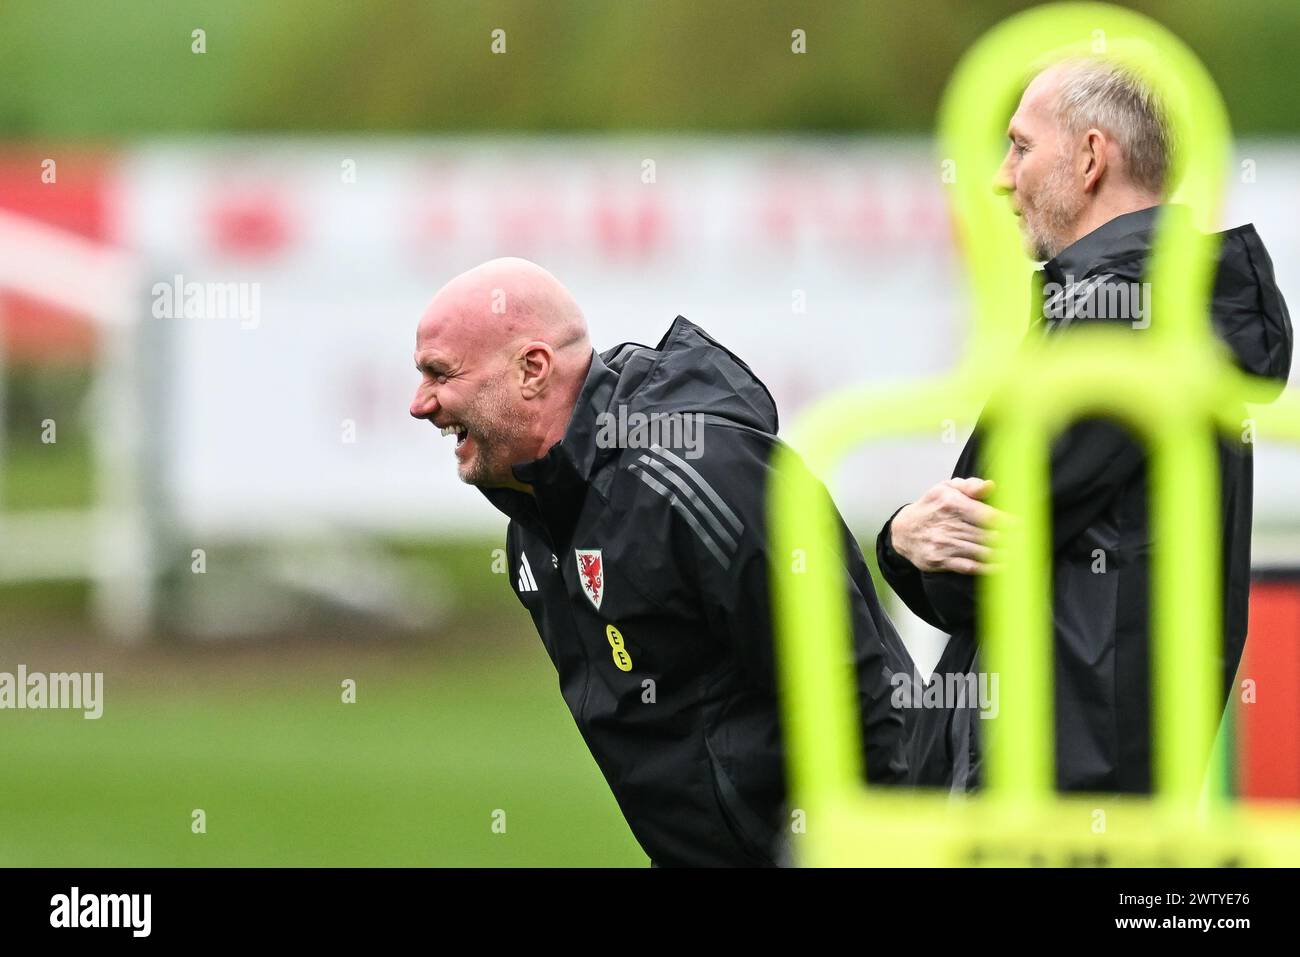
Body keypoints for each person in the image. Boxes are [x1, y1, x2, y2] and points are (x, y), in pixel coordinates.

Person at [877, 58, 1293, 793]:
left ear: (1093, 157)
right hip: (1094, 783)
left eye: (1021, 146)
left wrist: (898, 540)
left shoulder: (1116, 320)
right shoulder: (1164, 305)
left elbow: (963, 561)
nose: (1004, 178)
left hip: (1045, 798)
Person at [409, 257, 913, 865]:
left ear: (532, 370)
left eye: (440, 374)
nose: (421, 404)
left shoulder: (695, 476)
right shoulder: (535, 524)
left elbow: (857, 689)